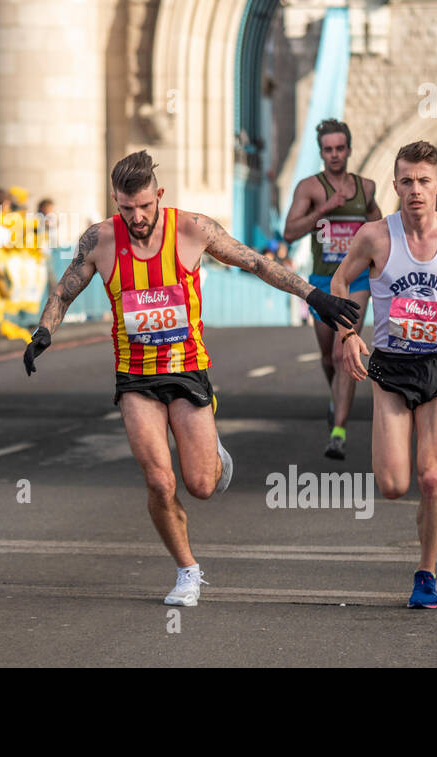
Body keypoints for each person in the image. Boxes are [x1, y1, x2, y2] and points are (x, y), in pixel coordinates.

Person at [21, 151, 360, 607]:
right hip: (135, 376)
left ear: (159, 195)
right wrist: (43, 331)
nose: (137, 217)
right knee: (160, 482)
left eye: (144, 206)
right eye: (126, 208)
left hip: (187, 369)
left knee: (201, 484)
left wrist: (315, 295)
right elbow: (64, 290)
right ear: (115, 201)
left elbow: (256, 263)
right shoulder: (100, 239)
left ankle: (215, 455)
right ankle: (187, 571)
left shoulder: (192, 229)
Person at [335, 140, 437, 609]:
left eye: (424, 181)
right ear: (396, 184)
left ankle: (427, 572)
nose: (415, 190)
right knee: (393, 485)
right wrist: (348, 335)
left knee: (430, 478)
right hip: (389, 367)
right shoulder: (374, 236)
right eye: (406, 181)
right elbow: (340, 283)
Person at [282, 119, 383, 459]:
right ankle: (336, 398)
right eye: (329, 149)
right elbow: (289, 233)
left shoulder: (366, 188)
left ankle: (338, 432)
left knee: (344, 354)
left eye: (341, 148)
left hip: (356, 280)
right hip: (323, 283)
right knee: (328, 357)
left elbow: (382, 229)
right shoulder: (310, 189)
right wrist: (325, 208)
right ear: (322, 152)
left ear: (349, 150)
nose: (335, 154)